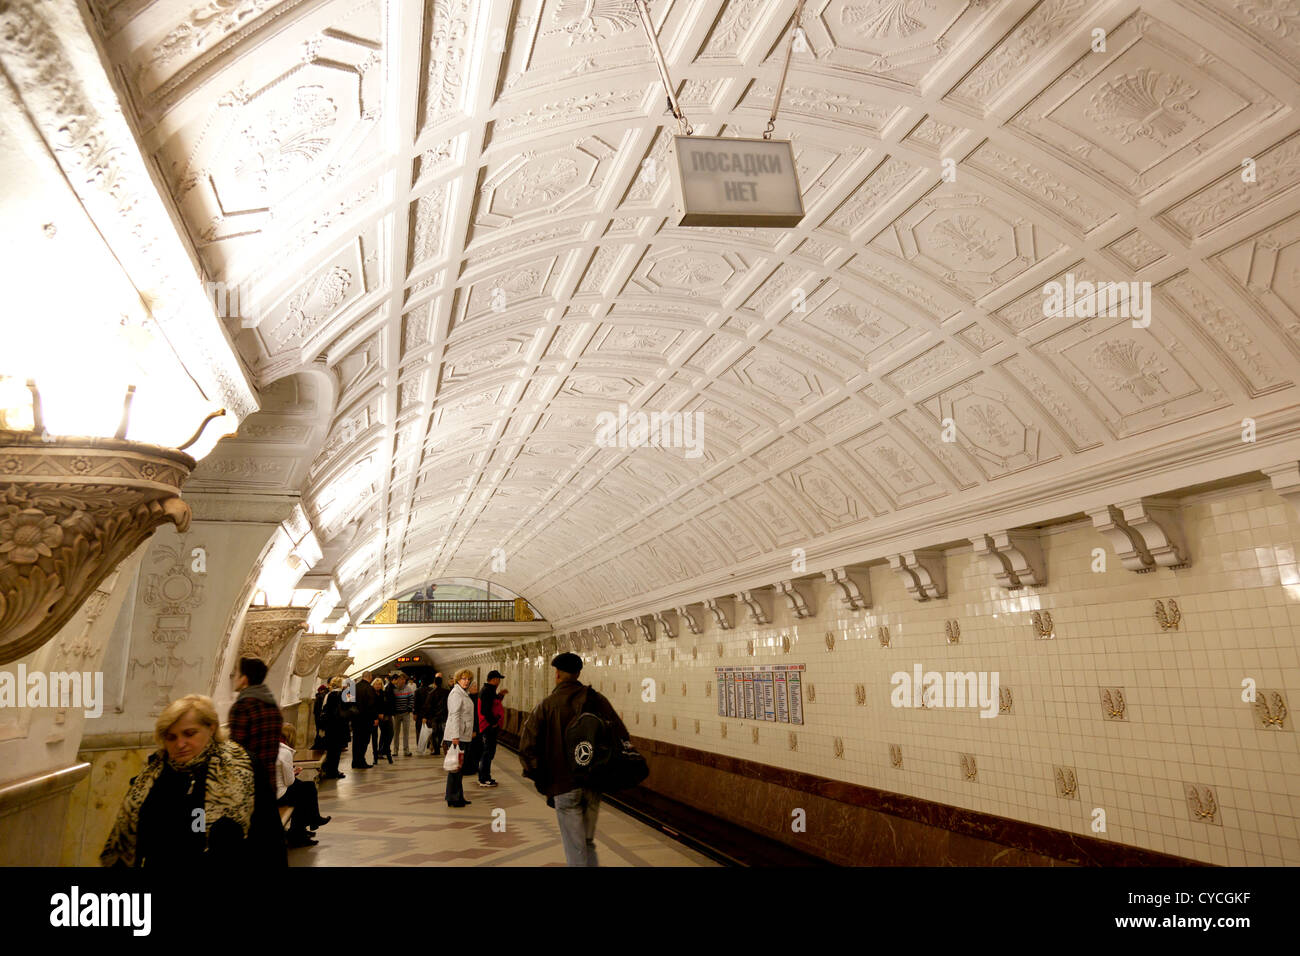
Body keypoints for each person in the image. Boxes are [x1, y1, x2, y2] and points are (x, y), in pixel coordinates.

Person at [101, 694, 255, 866]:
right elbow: (134, 835)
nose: (180, 744)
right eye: (171, 737)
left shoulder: (240, 767)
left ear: (211, 728)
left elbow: (267, 834)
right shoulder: (154, 772)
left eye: (189, 734)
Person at [520, 653, 629, 867]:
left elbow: (527, 747)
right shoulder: (597, 700)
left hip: (563, 785)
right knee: (586, 842)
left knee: (574, 845)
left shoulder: (547, 705)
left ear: (557, 674)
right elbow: (621, 735)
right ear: (579, 673)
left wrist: (543, 779)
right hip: (592, 783)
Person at [228, 656, 286, 866]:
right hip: (268, 781)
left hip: (246, 785)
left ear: (245, 679)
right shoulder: (272, 706)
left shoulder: (243, 707)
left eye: (237, 673)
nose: (234, 677)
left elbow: (236, 752)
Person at [276, 724, 330, 848]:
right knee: (305, 793)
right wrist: (293, 772)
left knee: (307, 788)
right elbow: (289, 782)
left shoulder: (275, 747)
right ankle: (300, 833)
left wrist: (292, 772)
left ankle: (304, 828)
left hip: (274, 790)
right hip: (280, 793)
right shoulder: (285, 752)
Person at [443, 669, 475, 807]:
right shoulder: (456, 694)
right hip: (457, 736)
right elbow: (454, 715)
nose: (466, 681)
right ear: (457, 680)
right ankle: (453, 798)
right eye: (463, 679)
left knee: (459, 768)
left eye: (468, 679)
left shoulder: (464, 693)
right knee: (455, 768)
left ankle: (458, 796)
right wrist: (455, 736)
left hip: (463, 735)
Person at [476, 671, 504, 788]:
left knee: (489, 752)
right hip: (488, 726)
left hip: (488, 726)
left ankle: (485, 776)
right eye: (498, 679)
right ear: (494, 679)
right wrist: (493, 723)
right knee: (488, 752)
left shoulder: (489, 690)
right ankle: (484, 778)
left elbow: (494, 703)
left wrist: (500, 696)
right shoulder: (487, 691)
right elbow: (485, 710)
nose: (499, 681)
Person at [319, 677, 349, 780]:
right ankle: (333, 771)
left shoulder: (328, 695)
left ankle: (331, 770)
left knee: (331, 750)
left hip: (330, 726)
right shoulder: (343, 695)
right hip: (340, 726)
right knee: (336, 751)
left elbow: (324, 709)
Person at [351, 670, 378, 769]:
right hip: (366, 720)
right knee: (364, 741)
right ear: (370, 677)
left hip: (355, 719)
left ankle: (355, 761)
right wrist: (375, 718)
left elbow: (350, 702)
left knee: (356, 741)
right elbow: (372, 705)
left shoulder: (354, 687)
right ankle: (361, 761)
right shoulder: (369, 688)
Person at [390, 671, 416, 756]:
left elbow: (411, 699)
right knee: (396, 733)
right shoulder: (393, 689)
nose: (402, 681)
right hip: (397, 714)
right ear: (398, 680)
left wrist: (409, 708)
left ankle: (406, 750)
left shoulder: (408, 688)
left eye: (404, 679)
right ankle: (395, 750)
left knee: (406, 733)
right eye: (401, 679)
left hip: (406, 713)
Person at [424, 674, 449, 757]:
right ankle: (441, 745)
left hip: (434, 716)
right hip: (444, 715)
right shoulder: (446, 692)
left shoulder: (431, 693)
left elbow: (428, 706)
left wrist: (427, 717)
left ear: (434, 683)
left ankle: (436, 749)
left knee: (435, 733)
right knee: (442, 732)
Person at [373, 677, 393, 764]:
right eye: (376, 684)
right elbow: (372, 706)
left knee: (388, 734)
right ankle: (377, 755)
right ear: (373, 685)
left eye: (379, 684)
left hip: (384, 716)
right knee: (375, 737)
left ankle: (384, 750)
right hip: (374, 718)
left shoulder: (384, 693)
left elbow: (387, 705)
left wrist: (384, 714)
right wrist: (377, 714)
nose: (378, 686)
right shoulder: (371, 694)